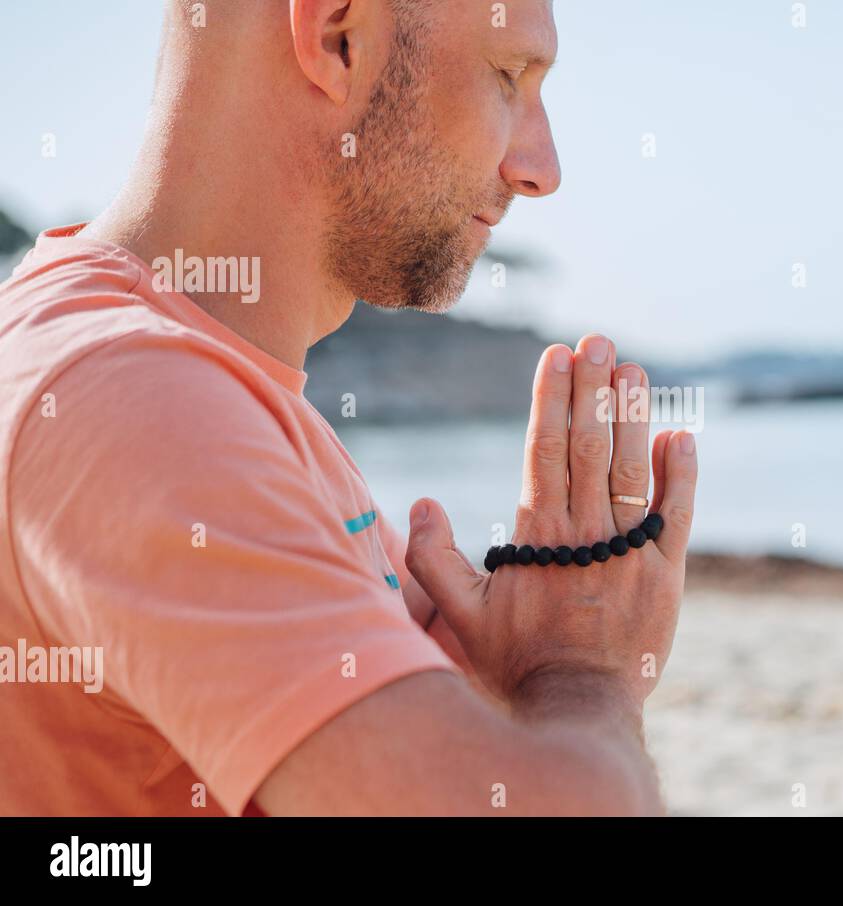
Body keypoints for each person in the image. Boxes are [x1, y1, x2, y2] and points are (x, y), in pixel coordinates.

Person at [0, 0, 698, 816]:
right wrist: (585, 674)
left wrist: (502, 677)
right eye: (508, 76)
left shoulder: (220, 390)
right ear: (336, 36)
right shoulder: (132, 397)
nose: (541, 168)